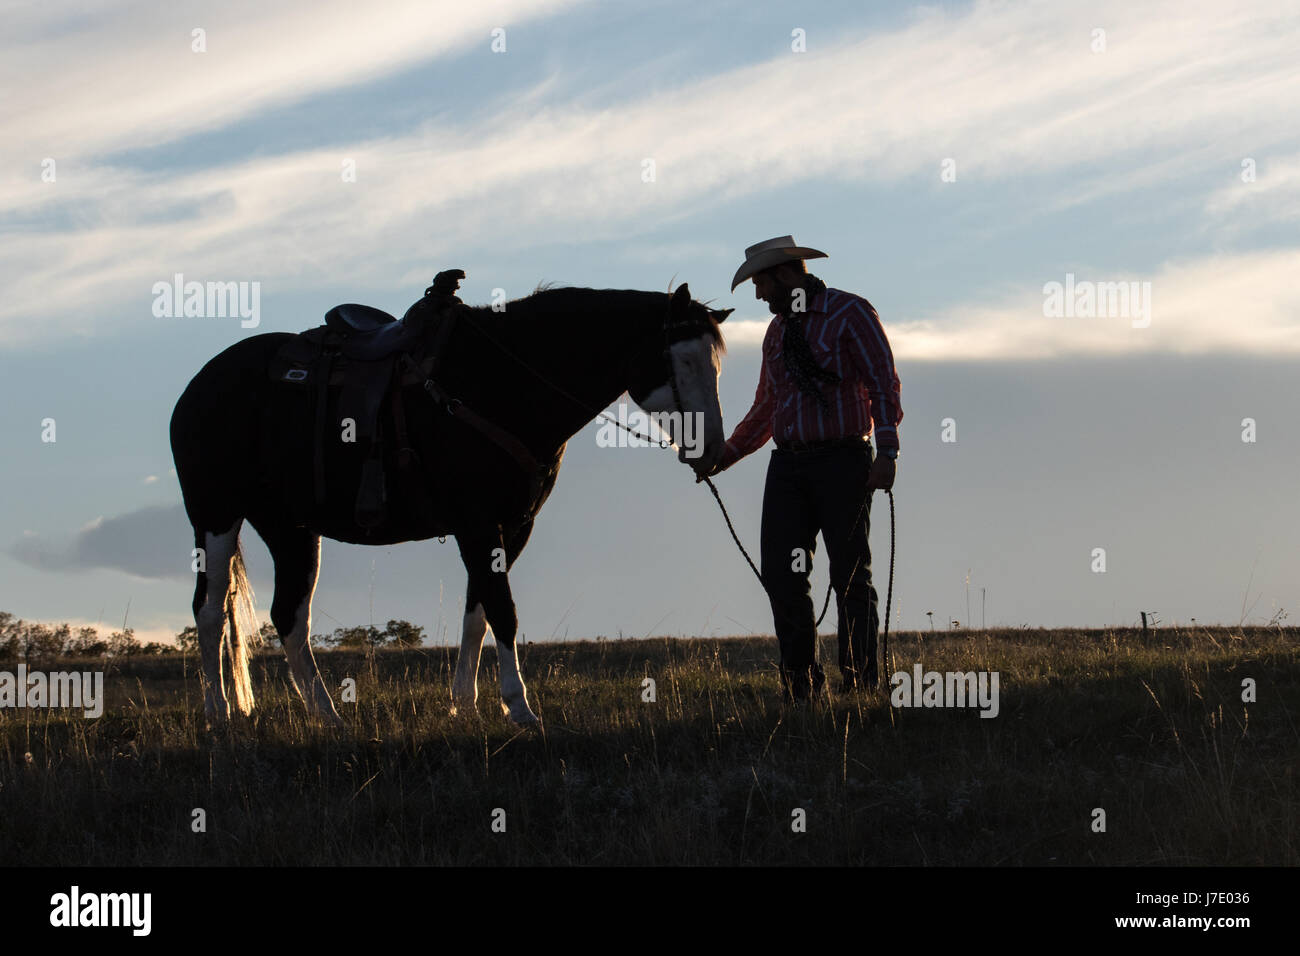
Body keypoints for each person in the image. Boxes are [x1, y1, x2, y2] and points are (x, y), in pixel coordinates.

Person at [707, 236, 903, 702]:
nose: (759, 296)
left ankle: (861, 685)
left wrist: (887, 453)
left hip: (843, 460)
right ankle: (802, 687)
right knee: (781, 575)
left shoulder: (851, 313)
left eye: (761, 284)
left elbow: (882, 383)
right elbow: (767, 407)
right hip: (788, 467)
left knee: (851, 574)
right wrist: (724, 456)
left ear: (784, 275)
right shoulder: (777, 334)